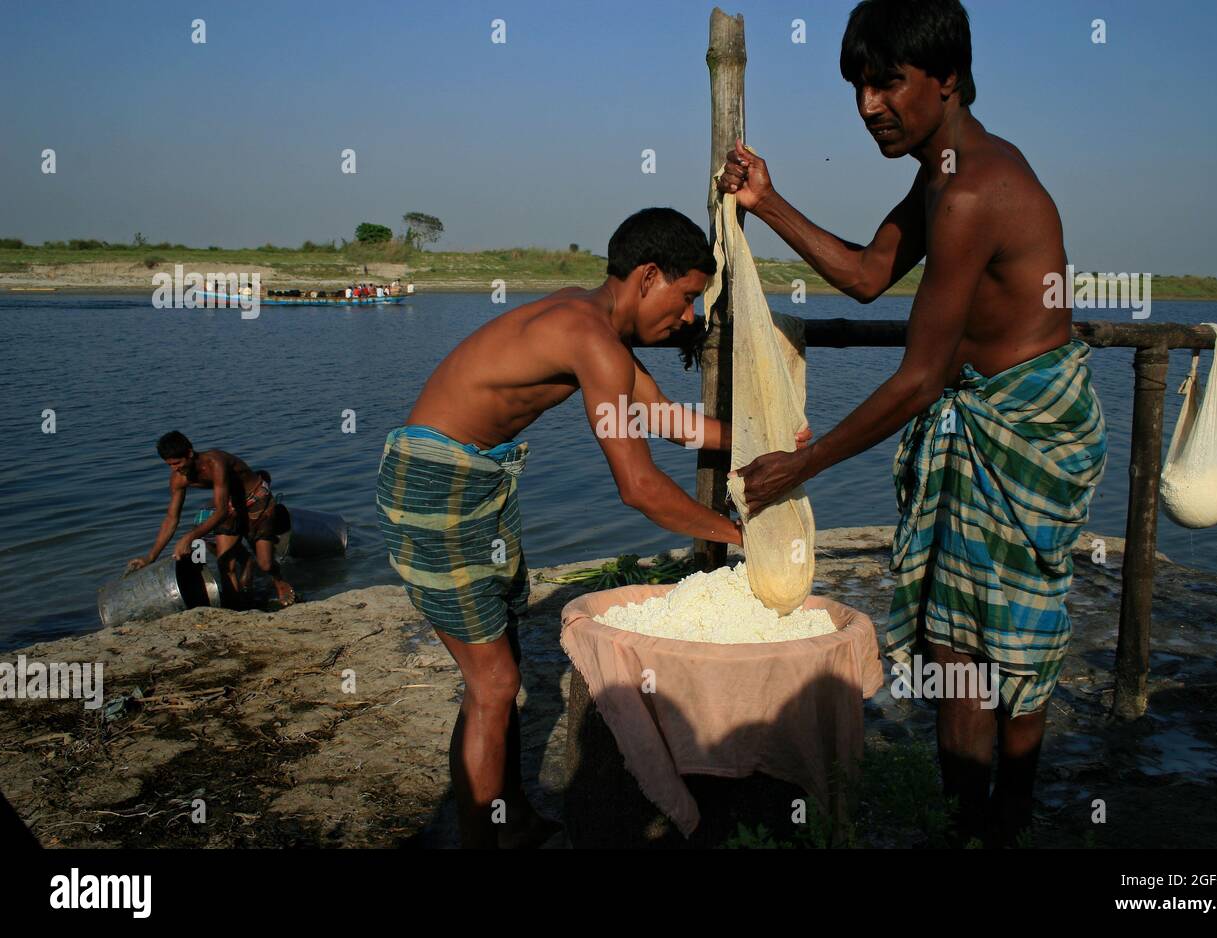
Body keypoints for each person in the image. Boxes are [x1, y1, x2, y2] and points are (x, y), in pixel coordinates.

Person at [723, 0, 1107, 847]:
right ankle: (985, 823)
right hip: (985, 419)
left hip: (1018, 430)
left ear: (949, 78)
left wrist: (803, 464)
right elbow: (867, 276)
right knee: (965, 639)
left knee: (985, 646)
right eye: (859, 85)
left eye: (888, 82)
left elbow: (924, 375)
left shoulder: (972, 188)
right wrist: (769, 201)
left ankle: (983, 823)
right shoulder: (942, 172)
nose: (868, 106)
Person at [376, 206, 809, 848]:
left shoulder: (589, 321)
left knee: (501, 670)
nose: (688, 318)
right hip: (438, 483)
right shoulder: (594, 342)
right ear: (647, 276)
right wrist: (744, 537)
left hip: (472, 478)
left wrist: (768, 446)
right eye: (687, 297)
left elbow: (668, 421)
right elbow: (638, 488)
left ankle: (511, 818)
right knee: (493, 684)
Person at [127, 431, 296, 608]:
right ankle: (236, 606)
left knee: (266, 564)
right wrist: (151, 557)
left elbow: (221, 511)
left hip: (255, 499)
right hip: (230, 504)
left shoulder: (215, 463)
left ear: (190, 453)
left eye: (178, 463)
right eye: (169, 465)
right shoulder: (178, 479)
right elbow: (171, 518)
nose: (175, 469)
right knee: (225, 564)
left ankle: (279, 581)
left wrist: (190, 537)